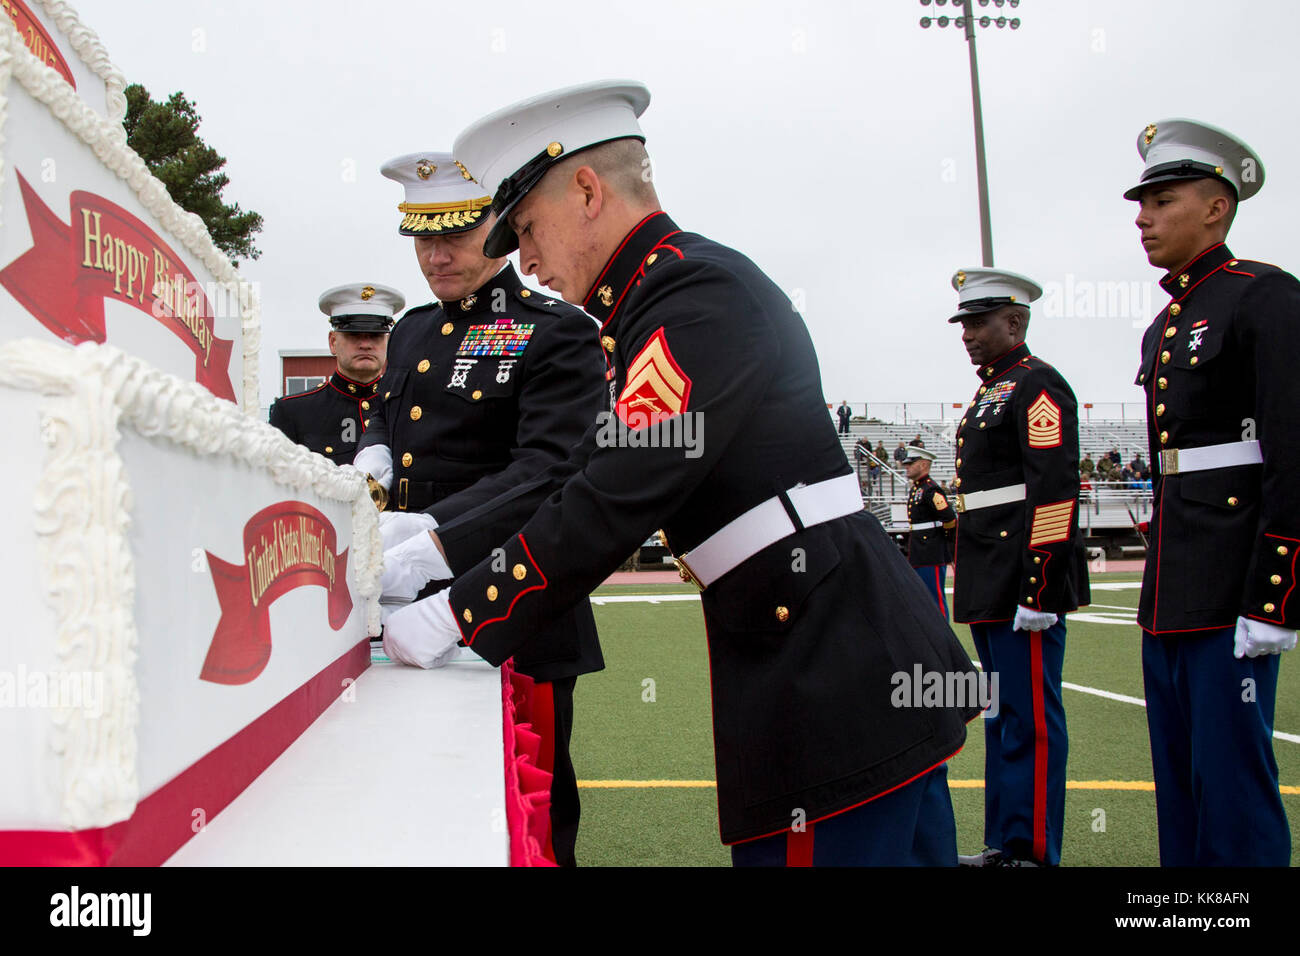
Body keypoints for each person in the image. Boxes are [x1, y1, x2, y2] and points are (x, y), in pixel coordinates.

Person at [380, 81, 979, 866]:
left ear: (587, 191)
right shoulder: (651, 303)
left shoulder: (691, 293)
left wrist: (458, 611)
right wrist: (433, 553)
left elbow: (616, 492)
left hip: (829, 672)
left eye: (526, 227)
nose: (524, 258)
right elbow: (588, 475)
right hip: (819, 647)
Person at [353, 151, 607, 867]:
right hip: (404, 601)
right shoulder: (408, 331)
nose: (435, 255)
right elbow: (388, 416)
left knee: (529, 806)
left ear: (498, 227)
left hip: (516, 604)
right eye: (421, 238)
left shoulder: (556, 330)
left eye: (455, 235)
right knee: (420, 796)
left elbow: (550, 469)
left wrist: (435, 532)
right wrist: (373, 450)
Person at [1125, 118, 1296, 865]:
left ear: (1217, 206)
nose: (1143, 216)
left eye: (1162, 199)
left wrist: (1275, 597)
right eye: (1142, 202)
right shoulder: (1164, 323)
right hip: (1172, 580)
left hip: (1232, 583)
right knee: (1181, 784)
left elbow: (1292, 451)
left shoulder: (1264, 296)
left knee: (1232, 783)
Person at [947, 267, 1091, 867]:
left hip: (1021, 574)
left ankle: (1031, 850)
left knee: (1030, 717)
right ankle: (1004, 844)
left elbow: (1054, 490)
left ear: (1016, 320)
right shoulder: (994, 389)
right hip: (990, 566)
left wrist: (1038, 586)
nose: (967, 334)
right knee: (1004, 714)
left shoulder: (1038, 385)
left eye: (979, 322)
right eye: (964, 323)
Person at [268, 283, 400, 465]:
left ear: (388, 342)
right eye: (354, 335)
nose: (366, 344)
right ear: (332, 342)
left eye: (375, 335)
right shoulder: (293, 412)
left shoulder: (402, 407)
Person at [903, 446, 956, 619]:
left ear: (924, 464)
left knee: (935, 601)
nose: (907, 466)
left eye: (912, 463)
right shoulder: (917, 489)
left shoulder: (931, 490)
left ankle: (944, 642)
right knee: (922, 600)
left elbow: (949, 518)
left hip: (931, 551)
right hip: (920, 550)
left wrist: (946, 543)